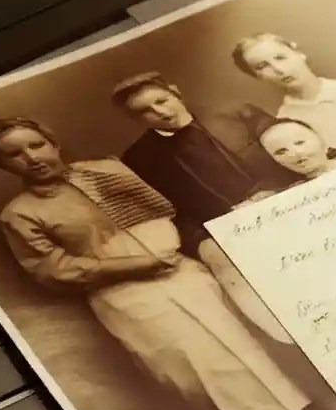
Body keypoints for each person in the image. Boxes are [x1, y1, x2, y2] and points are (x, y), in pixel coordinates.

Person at [0, 116, 311, 410]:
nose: (31, 157)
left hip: (183, 271)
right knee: (187, 362)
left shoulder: (106, 170)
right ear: (1, 164)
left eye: (37, 145)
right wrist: (136, 265)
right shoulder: (20, 214)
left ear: (53, 143)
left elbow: (170, 206)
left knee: (243, 339)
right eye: (14, 154)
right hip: (124, 294)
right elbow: (54, 270)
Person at [110, 72, 292, 343]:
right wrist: (201, 241)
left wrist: (275, 192)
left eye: (162, 100)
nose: (159, 112)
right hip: (227, 235)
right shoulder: (139, 158)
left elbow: (296, 145)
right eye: (145, 111)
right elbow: (167, 215)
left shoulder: (237, 114)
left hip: (287, 203)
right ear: (136, 119)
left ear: (175, 92)